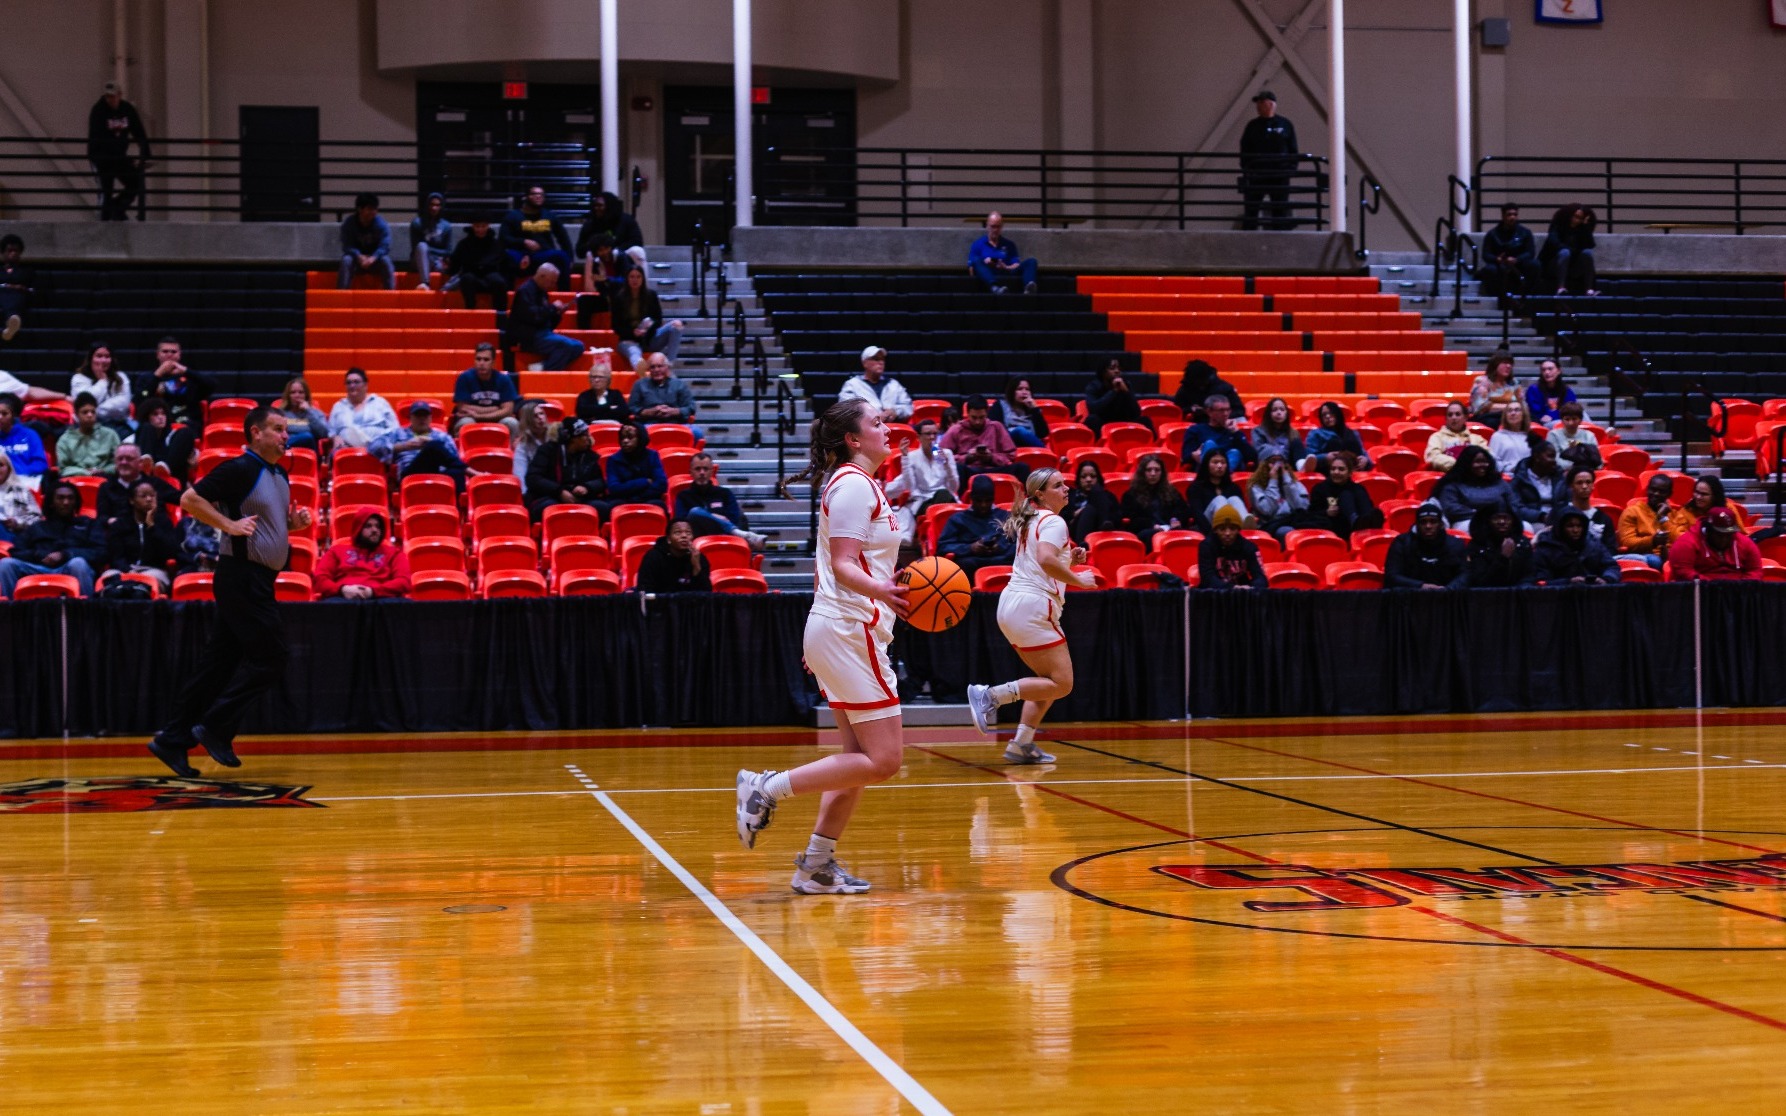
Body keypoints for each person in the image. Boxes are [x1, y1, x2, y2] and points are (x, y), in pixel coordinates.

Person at [735, 399, 910, 895]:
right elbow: (842, 564)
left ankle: (815, 866)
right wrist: (882, 590)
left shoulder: (859, 483)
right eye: (876, 422)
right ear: (853, 439)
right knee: (884, 760)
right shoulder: (853, 483)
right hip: (850, 627)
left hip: (841, 628)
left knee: (856, 758)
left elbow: (838, 565)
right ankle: (764, 787)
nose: (887, 428)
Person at [149, 407, 313, 776]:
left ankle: (172, 739)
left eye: (286, 430)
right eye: (278, 429)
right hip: (241, 577)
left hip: (258, 580)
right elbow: (190, 500)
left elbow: (266, 527)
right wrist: (228, 524)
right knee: (272, 657)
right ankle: (216, 727)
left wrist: (293, 525)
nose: (286, 436)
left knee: (217, 666)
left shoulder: (280, 474)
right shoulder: (240, 468)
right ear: (256, 433)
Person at [966, 468, 1095, 761]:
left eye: (1065, 484)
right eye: (1058, 485)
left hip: (1012, 604)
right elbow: (1046, 559)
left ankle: (1021, 744)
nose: (1066, 489)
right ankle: (989, 696)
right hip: (1033, 605)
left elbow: (1043, 564)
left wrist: (1070, 561)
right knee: (1062, 684)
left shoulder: (1033, 519)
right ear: (1040, 494)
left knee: (1046, 681)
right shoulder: (1055, 522)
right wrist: (1079, 580)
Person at [0, 481, 103, 597]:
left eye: (70, 498)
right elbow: (16, 551)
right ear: (51, 503)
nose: (66, 502)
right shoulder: (37, 527)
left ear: (76, 502)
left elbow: (101, 552)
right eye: (60, 498)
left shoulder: (88, 525)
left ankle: (86, 605)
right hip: (37, 567)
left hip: (70, 566)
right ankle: (9, 606)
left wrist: (66, 554)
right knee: (6, 563)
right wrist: (39, 555)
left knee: (78, 563)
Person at [883, 419, 959, 547]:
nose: (932, 437)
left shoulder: (945, 454)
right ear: (918, 437)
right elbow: (910, 487)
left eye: (935, 434)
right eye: (928, 434)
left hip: (945, 500)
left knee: (944, 493)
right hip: (923, 503)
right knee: (942, 494)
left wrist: (947, 466)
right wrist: (905, 458)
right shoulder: (912, 456)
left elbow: (954, 487)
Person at [100, 478, 183, 592]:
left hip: (153, 569)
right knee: (107, 577)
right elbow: (115, 556)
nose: (149, 499)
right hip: (124, 569)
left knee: (150, 581)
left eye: (152, 495)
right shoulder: (120, 524)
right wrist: (128, 571)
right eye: (143, 496)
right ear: (132, 500)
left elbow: (171, 552)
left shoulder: (164, 522)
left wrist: (152, 527)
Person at [315, 507, 411, 600]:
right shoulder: (336, 551)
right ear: (358, 528)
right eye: (368, 526)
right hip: (343, 598)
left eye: (378, 526)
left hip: (382, 598)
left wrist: (373, 592)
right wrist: (342, 589)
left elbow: (404, 581)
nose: (375, 530)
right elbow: (320, 579)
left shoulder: (394, 553)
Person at [676, 453, 768, 548]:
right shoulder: (683, 496)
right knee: (695, 512)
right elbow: (682, 524)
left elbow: (734, 519)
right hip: (696, 539)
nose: (702, 472)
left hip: (724, 537)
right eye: (698, 469)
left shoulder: (725, 493)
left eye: (706, 469)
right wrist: (713, 516)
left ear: (712, 471)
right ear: (690, 472)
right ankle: (742, 534)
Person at [87, 82, 149, 221]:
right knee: (106, 191)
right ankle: (105, 220)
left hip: (118, 156)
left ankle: (118, 207)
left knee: (135, 182)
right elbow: (99, 139)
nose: (110, 100)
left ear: (119, 95)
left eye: (113, 96)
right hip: (101, 157)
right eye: (108, 96)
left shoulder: (127, 109)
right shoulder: (98, 111)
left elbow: (138, 131)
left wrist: (145, 154)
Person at [371, 402, 467, 491]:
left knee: (457, 472)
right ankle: (469, 471)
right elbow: (374, 447)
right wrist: (405, 446)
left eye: (425, 415)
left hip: (438, 473)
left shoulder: (442, 436)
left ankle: (457, 503)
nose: (422, 419)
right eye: (418, 415)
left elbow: (453, 460)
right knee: (434, 445)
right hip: (410, 474)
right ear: (410, 418)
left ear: (430, 418)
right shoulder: (398, 433)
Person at [524, 417, 606, 521]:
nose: (588, 438)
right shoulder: (547, 451)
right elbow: (533, 478)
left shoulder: (591, 456)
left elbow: (601, 481)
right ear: (573, 438)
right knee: (549, 508)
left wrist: (587, 487)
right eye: (584, 435)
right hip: (550, 496)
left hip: (581, 498)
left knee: (602, 508)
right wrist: (559, 491)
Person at [1239, 90, 1300, 230]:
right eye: (1258, 103)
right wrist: (1247, 169)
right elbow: (1245, 147)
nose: (1258, 106)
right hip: (1257, 175)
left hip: (1279, 175)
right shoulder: (1252, 126)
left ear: (1271, 104)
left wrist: (1290, 169)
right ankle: (1248, 238)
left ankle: (1279, 238)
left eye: (1261, 102)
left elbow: (1293, 148)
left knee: (1279, 211)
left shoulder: (1285, 124)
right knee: (1251, 211)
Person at [508, 263, 586, 371]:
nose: (553, 285)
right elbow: (533, 316)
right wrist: (552, 308)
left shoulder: (543, 293)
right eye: (552, 282)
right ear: (542, 276)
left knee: (578, 346)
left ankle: (541, 367)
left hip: (544, 333)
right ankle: (545, 371)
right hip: (530, 337)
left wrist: (557, 313)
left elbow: (547, 321)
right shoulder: (524, 291)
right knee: (564, 345)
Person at [937, 474, 1016, 576]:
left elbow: (1018, 544)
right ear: (971, 498)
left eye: (988, 500)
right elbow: (943, 547)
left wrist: (1000, 546)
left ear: (993, 499)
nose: (983, 505)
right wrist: (970, 548)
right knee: (963, 565)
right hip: (972, 562)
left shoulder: (1005, 517)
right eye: (979, 500)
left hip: (1001, 559)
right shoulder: (957, 519)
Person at [1383, 502, 1468, 590]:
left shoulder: (1455, 544)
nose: (1428, 526)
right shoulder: (1402, 543)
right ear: (1417, 524)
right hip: (1411, 594)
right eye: (1423, 522)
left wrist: (1448, 589)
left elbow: (1465, 574)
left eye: (1433, 521)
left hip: (1448, 595)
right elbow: (1392, 575)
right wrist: (1420, 586)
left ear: (1441, 524)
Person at [940, 395, 1022, 487]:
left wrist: (991, 457)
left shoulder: (997, 427)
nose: (978, 422)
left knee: (1021, 467)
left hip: (995, 468)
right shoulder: (956, 430)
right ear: (967, 414)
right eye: (974, 417)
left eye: (981, 417)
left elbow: (1011, 455)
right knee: (959, 469)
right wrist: (967, 457)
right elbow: (941, 456)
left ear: (987, 414)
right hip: (970, 470)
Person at [501, 185, 574, 285]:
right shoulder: (513, 216)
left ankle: (563, 293)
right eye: (534, 194)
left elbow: (563, 238)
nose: (538, 196)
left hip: (542, 255)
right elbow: (503, 238)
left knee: (562, 256)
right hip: (520, 255)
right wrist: (523, 242)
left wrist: (570, 258)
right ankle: (507, 293)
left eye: (541, 194)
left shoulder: (550, 216)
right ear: (526, 197)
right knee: (507, 256)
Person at [611, 267, 683, 367]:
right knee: (634, 352)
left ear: (643, 279)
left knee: (676, 325)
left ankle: (669, 364)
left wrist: (647, 329)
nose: (635, 280)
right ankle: (639, 367)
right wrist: (633, 332)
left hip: (650, 338)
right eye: (632, 277)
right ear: (627, 278)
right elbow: (616, 326)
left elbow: (658, 319)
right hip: (628, 340)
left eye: (638, 277)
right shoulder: (619, 298)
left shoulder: (651, 295)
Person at [1668, 506, 1763, 581]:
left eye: (1729, 534)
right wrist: (1714, 587)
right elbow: (1683, 572)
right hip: (1700, 593)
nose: (1725, 539)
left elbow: (1755, 570)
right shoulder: (1686, 543)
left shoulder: (1745, 543)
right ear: (1708, 530)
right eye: (1720, 535)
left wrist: (1741, 587)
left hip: (1738, 593)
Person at [95, 444, 178, 528]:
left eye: (129, 459)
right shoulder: (106, 487)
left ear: (140, 462)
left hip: (153, 531)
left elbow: (180, 498)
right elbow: (101, 518)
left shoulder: (155, 483)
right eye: (120, 459)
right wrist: (110, 521)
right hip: (119, 532)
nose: (124, 462)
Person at [1533, 508, 1621, 586]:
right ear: (1560, 527)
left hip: (1594, 593)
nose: (1575, 530)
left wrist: (1606, 579)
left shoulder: (1594, 544)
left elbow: (1611, 566)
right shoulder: (1545, 547)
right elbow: (1541, 581)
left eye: (1579, 526)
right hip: (1559, 595)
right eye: (1570, 526)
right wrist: (1568, 582)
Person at [1307, 451, 1383, 540]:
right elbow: (1311, 514)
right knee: (1346, 496)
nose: (1336, 472)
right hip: (1334, 529)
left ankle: (1361, 524)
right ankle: (1355, 522)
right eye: (1333, 469)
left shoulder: (1358, 489)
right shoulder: (1320, 488)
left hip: (1361, 530)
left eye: (1341, 469)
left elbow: (1366, 507)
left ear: (1350, 472)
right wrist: (1326, 512)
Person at [1122, 453, 1192, 546]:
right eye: (1149, 470)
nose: (1153, 474)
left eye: (1157, 470)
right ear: (1142, 472)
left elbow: (1183, 510)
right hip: (1147, 531)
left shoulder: (1171, 491)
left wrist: (1175, 520)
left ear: (1162, 473)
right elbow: (1132, 520)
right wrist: (1152, 525)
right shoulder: (1131, 494)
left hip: (1170, 529)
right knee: (1150, 535)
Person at [596, 422, 666, 516]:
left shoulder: (652, 456)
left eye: (630, 437)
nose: (625, 441)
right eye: (622, 438)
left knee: (658, 505)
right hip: (623, 500)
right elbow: (614, 488)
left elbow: (661, 483)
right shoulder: (614, 459)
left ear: (640, 439)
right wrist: (643, 482)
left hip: (647, 498)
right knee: (613, 507)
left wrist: (638, 497)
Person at [628, 352, 702, 440]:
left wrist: (673, 411)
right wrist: (652, 411)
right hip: (648, 425)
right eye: (652, 367)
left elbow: (691, 407)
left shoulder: (679, 384)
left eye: (660, 366)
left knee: (697, 432)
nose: (656, 370)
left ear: (667, 367)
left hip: (676, 424)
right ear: (649, 369)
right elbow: (632, 408)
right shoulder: (640, 385)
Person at [1438, 445, 1514, 530]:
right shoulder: (1453, 483)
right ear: (1466, 463)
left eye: (1485, 462)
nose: (1482, 465)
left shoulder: (1499, 482)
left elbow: (1513, 503)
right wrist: (1481, 515)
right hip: (1467, 520)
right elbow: (1450, 508)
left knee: (1523, 526)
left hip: (1501, 520)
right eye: (1477, 462)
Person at [445, 214, 511, 311]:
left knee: (499, 282)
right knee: (467, 278)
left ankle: (500, 314)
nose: (480, 229)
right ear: (473, 226)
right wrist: (448, 269)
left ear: (488, 226)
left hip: (491, 274)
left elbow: (504, 263)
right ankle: (470, 311)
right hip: (471, 274)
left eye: (483, 226)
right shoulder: (464, 244)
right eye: (477, 226)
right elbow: (456, 263)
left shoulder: (496, 244)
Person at [451, 342, 520, 434]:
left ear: (493, 362)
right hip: (471, 418)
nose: (481, 363)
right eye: (478, 359)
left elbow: (508, 410)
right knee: (465, 423)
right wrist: (495, 408)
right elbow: (462, 408)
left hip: (496, 418)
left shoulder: (503, 379)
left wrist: (479, 416)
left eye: (486, 359)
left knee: (511, 423)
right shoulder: (464, 378)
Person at [144, 336, 212, 428]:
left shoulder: (190, 378)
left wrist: (186, 371)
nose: (169, 354)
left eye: (173, 352)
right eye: (165, 351)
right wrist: (157, 376)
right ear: (157, 354)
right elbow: (141, 398)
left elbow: (211, 385)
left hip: (186, 424)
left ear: (179, 355)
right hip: (156, 424)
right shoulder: (147, 378)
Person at [327, 367, 400, 450]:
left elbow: (394, 427)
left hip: (379, 446)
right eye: (348, 383)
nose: (352, 386)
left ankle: (370, 447)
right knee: (347, 433)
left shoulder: (380, 403)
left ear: (365, 385)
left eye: (356, 382)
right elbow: (331, 431)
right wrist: (335, 438)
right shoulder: (338, 406)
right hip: (347, 448)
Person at [1181, 395, 1257, 474]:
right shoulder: (1195, 430)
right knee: (1209, 444)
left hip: (1230, 472)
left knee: (1235, 452)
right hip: (1204, 471)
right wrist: (1193, 455)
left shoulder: (1234, 432)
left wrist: (1236, 433)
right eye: (1221, 410)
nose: (1225, 414)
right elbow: (1186, 457)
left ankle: (1222, 476)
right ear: (1209, 412)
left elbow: (1251, 457)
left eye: (1228, 410)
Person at [1465, 503, 1535, 587]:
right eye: (1496, 518)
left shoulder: (1522, 542)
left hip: (1519, 591)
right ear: (1488, 521)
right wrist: (1503, 558)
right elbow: (1480, 580)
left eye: (1506, 518)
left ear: (1513, 521)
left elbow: (1529, 574)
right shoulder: (1477, 544)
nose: (1502, 522)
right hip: (1487, 591)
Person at [967, 211, 1038, 294]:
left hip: (1006, 271)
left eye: (998, 227)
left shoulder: (1009, 244)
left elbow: (1016, 264)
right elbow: (971, 267)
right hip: (988, 273)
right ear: (987, 226)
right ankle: (994, 287)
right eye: (993, 226)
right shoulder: (978, 244)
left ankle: (1029, 287)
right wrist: (985, 263)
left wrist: (1005, 267)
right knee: (976, 260)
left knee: (1032, 261)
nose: (995, 230)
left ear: (1001, 227)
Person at [1617, 473, 1678, 569]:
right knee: (1655, 561)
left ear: (1669, 494)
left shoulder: (1673, 514)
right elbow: (1627, 543)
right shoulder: (1632, 512)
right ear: (1647, 489)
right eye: (1653, 489)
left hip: (1669, 556)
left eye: (1661, 491)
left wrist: (1663, 518)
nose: (1656, 494)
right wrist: (1652, 541)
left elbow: (1679, 540)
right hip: (1644, 556)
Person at [838, 346, 914, 423]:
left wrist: (895, 411)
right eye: (876, 359)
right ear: (864, 363)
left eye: (882, 359)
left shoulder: (893, 384)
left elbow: (908, 407)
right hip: (865, 428)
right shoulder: (852, 384)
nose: (881, 362)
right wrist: (873, 417)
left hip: (894, 426)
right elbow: (846, 410)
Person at [1476, 205, 1539, 299]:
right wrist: (1497, 259)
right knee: (1490, 270)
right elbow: (1486, 254)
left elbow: (1530, 252)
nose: (1512, 217)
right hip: (1499, 265)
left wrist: (1517, 259)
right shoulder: (1493, 234)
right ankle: (1496, 299)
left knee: (1535, 264)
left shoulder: (1525, 232)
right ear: (1503, 216)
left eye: (1515, 214)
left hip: (1519, 264)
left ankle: (1528, 297)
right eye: (1509, 214)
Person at [1199, 504, 1267, 589]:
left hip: (1243, 593)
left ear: (1238, 530)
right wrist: (1232, 588)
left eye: (1232, 529)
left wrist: (1252, 588)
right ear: (1215, 530)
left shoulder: (1250, 547)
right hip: (1214, 594)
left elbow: (1260, 577)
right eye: (1222, 529)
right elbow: (1207, 578)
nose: (1227, 533)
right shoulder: (1206, 546)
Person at [636, 519, 712, 594]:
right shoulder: (653, 557)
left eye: (688, 533)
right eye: (678, 532)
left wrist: (696, 567)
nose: (684, 536)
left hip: (689, 601)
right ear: (668, 539)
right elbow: (644, 589)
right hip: (659, 600)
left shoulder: (698, 558)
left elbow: (706, 594)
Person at [338, 193, 396, 291]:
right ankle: (342, 294)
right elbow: (347, 245)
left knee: (386, 261)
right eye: (369, 209)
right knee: (346, 260)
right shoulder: (349, 223)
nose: (373, 212)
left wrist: (373, 257)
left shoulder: (381, 225)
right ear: (360, 209)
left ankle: (390, 294)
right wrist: (358, 255)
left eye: (375, 209)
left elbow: (385, 246)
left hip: (375, 260)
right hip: (356, 260)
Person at [1668, 474, 1753, 540]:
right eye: (1696, 492)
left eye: (1704, 494)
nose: (1698, 497)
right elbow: (1676, 536)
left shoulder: (1727, 509)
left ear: (1714, 496)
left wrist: (1720, 533)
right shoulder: (1687, 510)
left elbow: (1738, 532)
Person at [1184, 452, 1251, 535]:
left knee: (1234, 499)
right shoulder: (1195, 488)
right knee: (1220, 499)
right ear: (1206, 465)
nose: (1220, 466)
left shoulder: (1234, 487)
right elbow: (1198, 515)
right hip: (1207, 527)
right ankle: (1224, 528)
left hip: (1234, 526)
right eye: (1215, 462)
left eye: (1223, 463)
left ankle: (1246, 527)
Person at [55, 393, 121, 477]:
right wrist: (85, 472)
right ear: (76, 414)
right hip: (76, 479)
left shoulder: (110, 435)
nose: (90, 415)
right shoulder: (65, 440)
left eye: (93, 412)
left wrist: (103, 471)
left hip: (105, 478)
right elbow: (63, 469)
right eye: (85, 412)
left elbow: (119, 463)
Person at [1248, 450, 1308, 540]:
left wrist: (1287, 482)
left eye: (1280, 461)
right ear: (1264, 464)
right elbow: (1267, 510)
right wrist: (1273, 480)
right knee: (1288, 532)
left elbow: (1301, 508)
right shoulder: (1256, 487)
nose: (1278, 465)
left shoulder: (1294, 483)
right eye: (1273, 461)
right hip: (1272, 524)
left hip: (1294, 520)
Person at [1541, 204, 1598, 296]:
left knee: (1587, 253)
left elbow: (1590, 245)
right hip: (1555, 264)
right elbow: (1554, 242)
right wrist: (1570, 250)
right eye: (1576, 216)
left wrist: (1586, 227)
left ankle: (1589, 290)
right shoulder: (1559, 226)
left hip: (1574, 265)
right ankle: (1561, 288)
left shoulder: (1582, 229)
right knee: (1565, 252)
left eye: (1581, 218)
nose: (1577, 220)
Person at [1510, 438, 1565, 531]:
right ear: (1537, 457)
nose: (1554, 461)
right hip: (1533, 522)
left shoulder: (1559, 478)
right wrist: (1541, 516)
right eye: (1550, 456)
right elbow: (1517, 508)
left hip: (1559, 520)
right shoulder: (1519, 480)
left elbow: (1566, 502)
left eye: (1554, 457)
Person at [1553, 466, 1617, 543]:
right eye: (1579, 483)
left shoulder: (1604, 518)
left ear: (1593, 485)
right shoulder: (1558, 513)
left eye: (1588, 482)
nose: (1584, 486)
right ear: (1571, 486)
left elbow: (1610, 547)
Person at [1302, 401, 1371, 473]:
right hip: (1328, 472)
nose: (1327, 416)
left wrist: (1365, 460)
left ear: (1338, 414)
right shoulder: (1315, 434)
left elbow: (1363, 453)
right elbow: (1310, 457)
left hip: (1354, 472)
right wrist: (1325, 457)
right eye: (1324, 415)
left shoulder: (1353, 433)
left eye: (1331, 413)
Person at [578, 190, 646, 262]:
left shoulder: (626, 220)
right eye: (595, 205)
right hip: (598, 260)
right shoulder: (590, 224)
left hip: (623, 258)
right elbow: (579, 250)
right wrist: (594, 246)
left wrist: (615, 250)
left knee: (637, 251)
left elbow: (637, 241)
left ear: (609, 206)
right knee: (590, 254)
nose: (596, 208)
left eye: (600, 205)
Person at [1064, 460, 1122, 545]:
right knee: (1089, 510)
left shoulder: (1108, 496)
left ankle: (1103, 525)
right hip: (1075, 531)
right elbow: (1061, 516)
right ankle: (1082, 545)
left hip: (1103, 531)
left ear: (1098, 478)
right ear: (1078, 479)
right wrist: (1075, 514)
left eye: (1093, 476)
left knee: (1097, 495)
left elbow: (1117, 519)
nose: (1089, 480)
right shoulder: (1070, 495)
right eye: (1083, 477)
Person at [1084, 358, 1146, 434]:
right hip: (1103, 420)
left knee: (1144, 420)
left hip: (1123, 420)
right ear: (1103, 372)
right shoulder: (1093, 386)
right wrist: (1114, 391)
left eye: (1119, 368)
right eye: (1112, 368)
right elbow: (1093, 409)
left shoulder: (1125, 385)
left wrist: (1127, 392)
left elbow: (1136, 413)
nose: (1117, 371)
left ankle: (1154, 442)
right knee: (1092, 420)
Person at [272, 376, 331, 453]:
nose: (297, 395)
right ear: (288, 396)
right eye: (293, 392)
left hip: (309, 451)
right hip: (285, 451)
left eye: (301, 392)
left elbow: (324, 434)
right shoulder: (280, 413)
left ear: (306, 395)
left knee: (307, 436)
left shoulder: (316, 413)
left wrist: (308, 412)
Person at [1424, 402, 1489, 472]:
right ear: (1446, 419)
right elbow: (1433, 457)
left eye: (1457, 414)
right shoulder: (1436, 437)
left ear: (1465, 418)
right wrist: (1459, 464)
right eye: (1450, 415)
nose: (1453, 417)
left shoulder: (1476, 439)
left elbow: (1488, 457)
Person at [0, 394, 47, 488]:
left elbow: (40, 463)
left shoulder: (30, 435)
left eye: (4, 414)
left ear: (13, 415)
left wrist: (18, 473)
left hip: (26, 479)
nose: (0, 417)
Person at [408, 192, 454, 290]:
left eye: (437, 205)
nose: (434, 208)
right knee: (422, 246)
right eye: (432, 204)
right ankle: (425, 283)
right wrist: (431, 251)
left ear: (441, 207)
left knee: (444, 266)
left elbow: (448, 251)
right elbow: (416, 247)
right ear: (427, 205)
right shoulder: (417, 223)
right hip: (418, 260)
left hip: (436, 261)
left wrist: (432, 252)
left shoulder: (446, 226)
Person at [1174, 359, 1243, 422]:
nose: (1199, 385)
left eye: (1201, 381)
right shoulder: (1186, 388)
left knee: (1240, 420)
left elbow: (1239, 411)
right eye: (1196, 382)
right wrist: (1190, 409)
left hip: (1224, 422)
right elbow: (1178, 408)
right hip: (1198, 423)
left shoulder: (1224, 388)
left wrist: (1218, 413)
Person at [991, 378, 1051, 449]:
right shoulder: (1000, 405)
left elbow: (1043, 434)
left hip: (1030, 444)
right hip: (1008, 442)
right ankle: (1046, 451)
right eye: (1020, 389)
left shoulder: (1032, 409)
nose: (1024, 392)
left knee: (1022, 431)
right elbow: (994, 428)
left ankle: (1045, 453)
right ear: (1012, 391)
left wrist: (1035, 409)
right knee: (1020, 430)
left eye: (1027, 389)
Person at [1469, 352, 1521, 427]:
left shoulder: (1515, 383)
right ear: (1495, 365)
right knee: (1493, 422)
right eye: (1505, 363)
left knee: (1532, 419)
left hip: (1512, 415)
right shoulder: (1482, 381)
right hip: (1488, 416)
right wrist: (1509, 407)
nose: (1508, 366)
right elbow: (1480, 407)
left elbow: (1522, 405)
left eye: (1510, 364)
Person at [1546, 401, 1601, 470]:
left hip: (1586, 472)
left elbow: (1596, 460)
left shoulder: (1589, 435)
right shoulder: (1553, 435)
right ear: (1562, 420)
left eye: (1574, 419)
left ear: (1580, 420)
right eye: (1567, 419)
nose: (1570, 423)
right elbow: (1554, 459)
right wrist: (1575, 466)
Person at [0, 451, 41, 543]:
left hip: (15, 535)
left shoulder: (21, 490)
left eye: (0, 465)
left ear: (9, 468)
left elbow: (37, 520)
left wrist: (17, 523)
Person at [1250, 397, 1305, 465]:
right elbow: (1259, 451)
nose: (1279, 412)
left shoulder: (1294, 433)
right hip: (1267, 465)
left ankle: (1302, 466)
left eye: (1282, 409)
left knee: (1297, 443)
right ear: (1269, 413)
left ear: (1286, 413)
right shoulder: (1258, 431)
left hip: (1288, 466)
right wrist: (1278, 453)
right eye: (1274, 410)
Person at [1488, 398, 1535, 475]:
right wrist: (1511, 468)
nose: (1513, 413)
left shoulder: (1531, 436)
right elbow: (1493, 461)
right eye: (1509, 411)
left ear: (1523, 415)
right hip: (1507, 476)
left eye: (1517, 410)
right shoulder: (1498, 436)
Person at [1524, 358, 1577, 424]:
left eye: (1550, 369)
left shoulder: (1566, 390)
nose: (1547, 372)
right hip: (1541, 423)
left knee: (1582, 414)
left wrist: (1552, 416)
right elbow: (1536, 412)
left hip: (1562, 421)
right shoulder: (1533, 390)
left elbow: (1571, 408)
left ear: (1559, 371)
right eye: (1543, 370)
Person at [0, 234, 33, 341]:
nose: (13, 253)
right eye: (10, 250)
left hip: (19, 296)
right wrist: (8, 286)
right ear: (3, 253)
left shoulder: (27, 271)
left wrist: (22, 288)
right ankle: (12, 320)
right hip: (1, 295)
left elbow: (33, 288)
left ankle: (11, 325)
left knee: (15, 296)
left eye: (16, 251)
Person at [511, 400, 549, 481]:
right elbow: (519, 474)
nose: (540, 418)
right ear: (528, 420)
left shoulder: (556, 437)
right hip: (534, 484)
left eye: (541, 413)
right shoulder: (523, 445)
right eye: (535, 416)